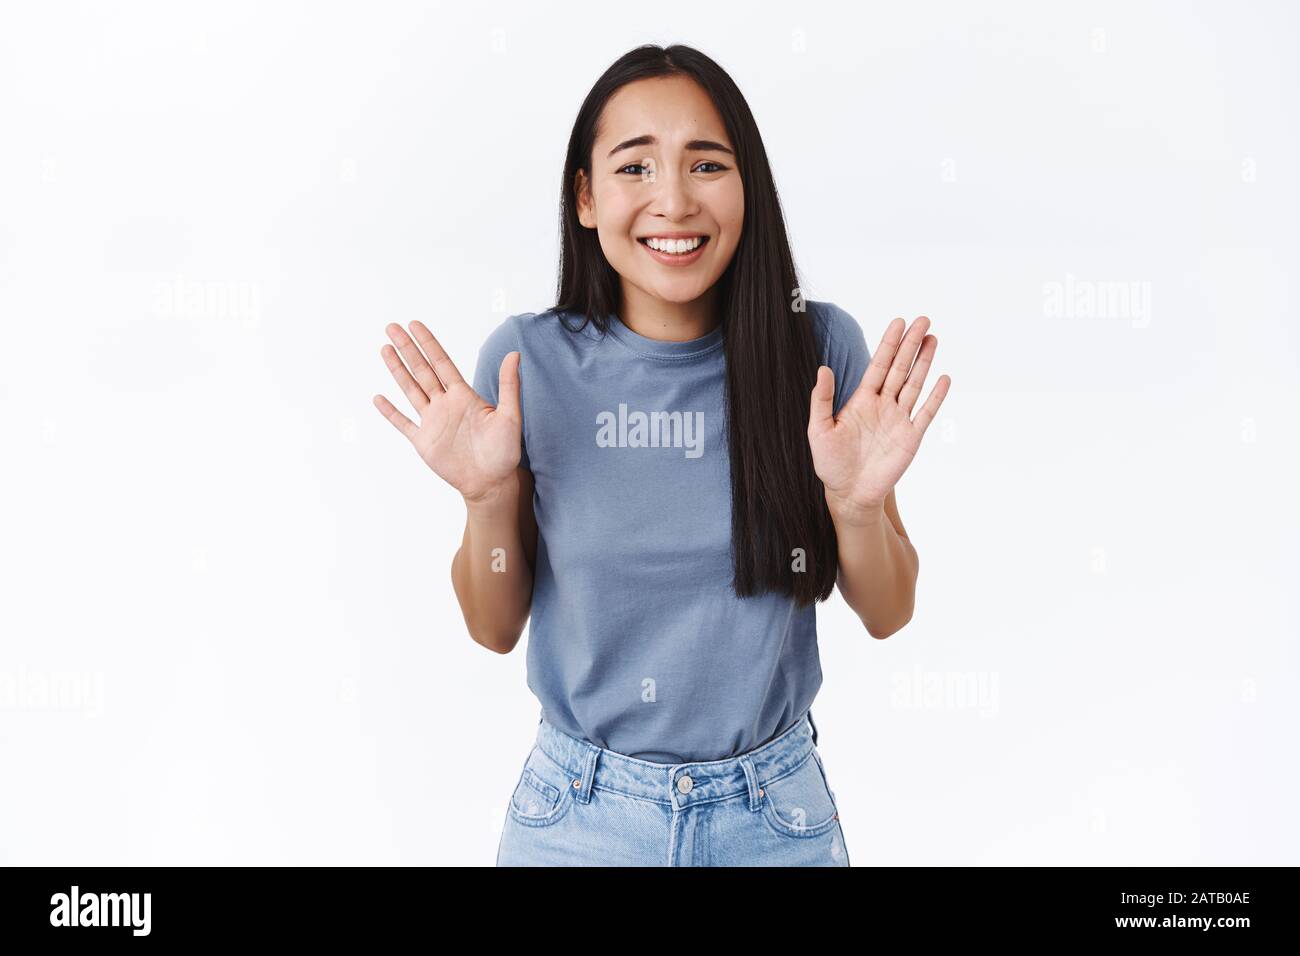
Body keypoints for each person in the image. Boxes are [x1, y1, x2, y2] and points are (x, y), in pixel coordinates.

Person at [372, 43, 950, 866]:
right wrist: (486, 497)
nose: (672, 201)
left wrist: (856, 509)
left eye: (706, 164)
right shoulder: (525, 364)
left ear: (748, 185)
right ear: (585, 197)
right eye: (635, 168)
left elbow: (889, 612)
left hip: (773, 820)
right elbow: (493, 628)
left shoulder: (818, 351)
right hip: (577, 820)